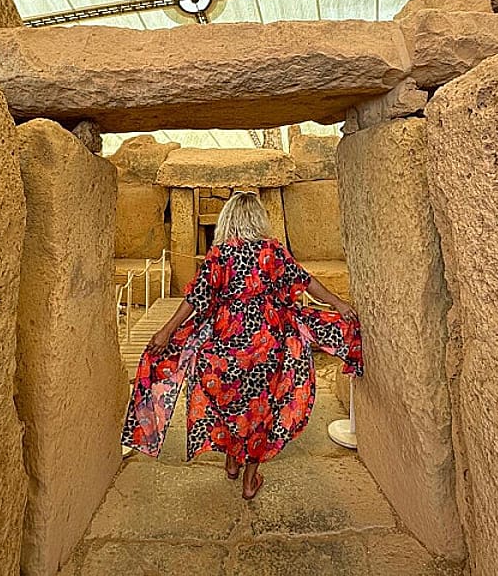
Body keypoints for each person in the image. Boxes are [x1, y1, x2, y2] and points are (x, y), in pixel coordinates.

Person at [121, 191, 363, 500]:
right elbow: (306, 281)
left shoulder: (219, 255)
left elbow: (196, 298)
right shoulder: (273, 252)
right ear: (258, 219)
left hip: (224, 349)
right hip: (267, 347)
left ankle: (232, 463)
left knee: (229, 405)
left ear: (228, 219)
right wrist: (338, 303)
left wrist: (167, 331)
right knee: (259, 411)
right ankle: (250, 479)